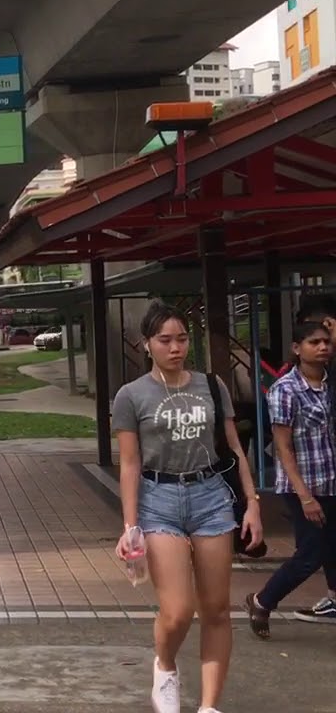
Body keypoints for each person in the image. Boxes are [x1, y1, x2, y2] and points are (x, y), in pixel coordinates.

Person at [112, 301, 263, 713]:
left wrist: (252, 505)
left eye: (181, 339)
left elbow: (234, 448)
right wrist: (130, 525)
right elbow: (129, 463)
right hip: (158, 499)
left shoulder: (211, 385)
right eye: (165, 340)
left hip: (211, 497)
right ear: (147, 344)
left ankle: (210, 706)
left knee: (216, 608)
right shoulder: (132, 396)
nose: (175, 348)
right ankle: (164, 666)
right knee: (178, 611)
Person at [244, 321, 336, 635]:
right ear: (297, 349)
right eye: (314, 342)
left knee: (332, 547)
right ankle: (262, 601)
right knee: (310, 555)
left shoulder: (330, 384)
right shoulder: (285, 389)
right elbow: (282, 448)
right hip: (304, 486)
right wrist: (305, 496)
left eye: (326, 341)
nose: (323, 347)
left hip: (332, 481)